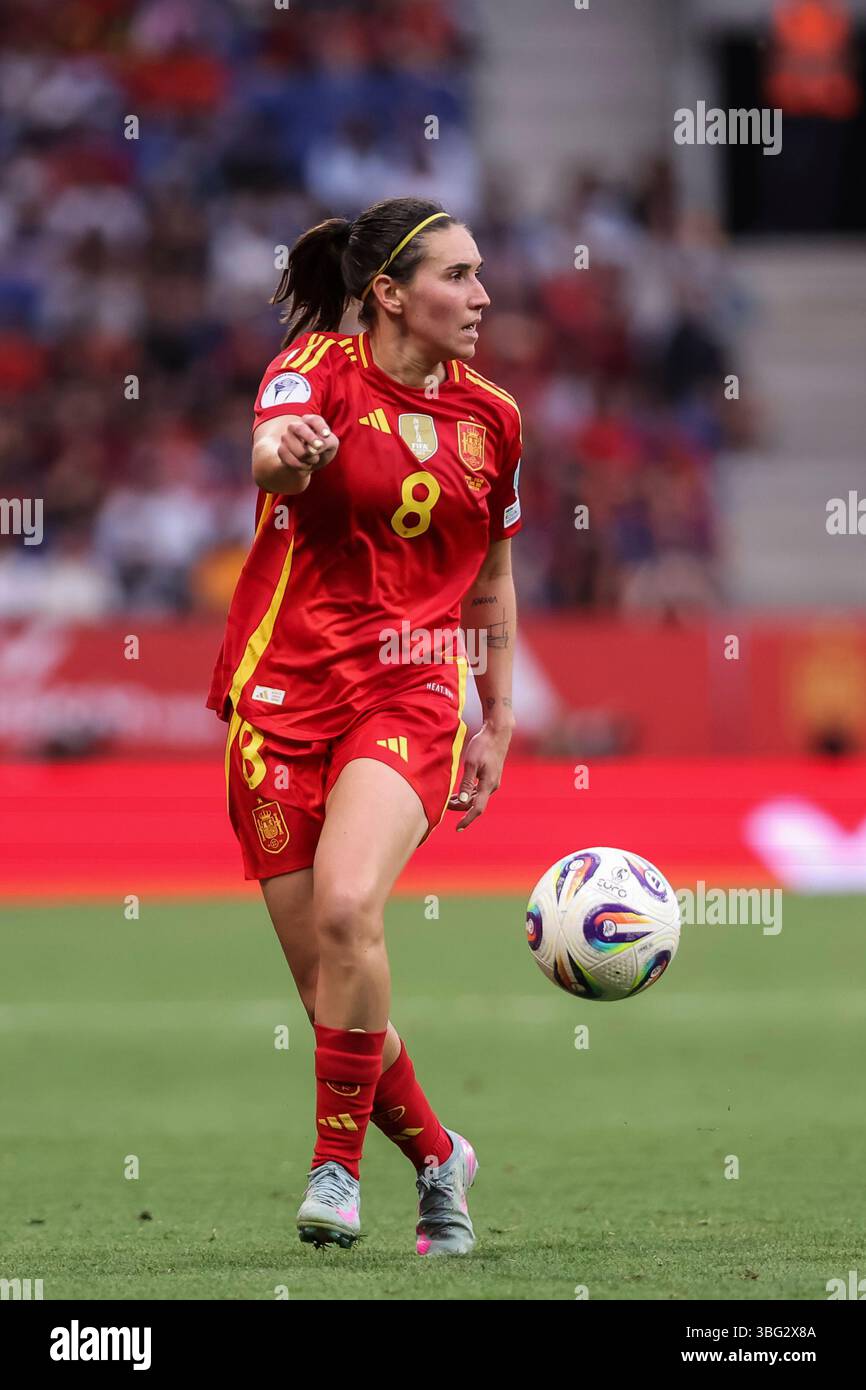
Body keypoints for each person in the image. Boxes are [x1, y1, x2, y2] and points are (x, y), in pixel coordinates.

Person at [207, 197, 523, 1254]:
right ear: (388, 292)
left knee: (350, 906)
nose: (480, 296)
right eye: (456, 277)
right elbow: (273, 460)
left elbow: (490, 575)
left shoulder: (494, 418)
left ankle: (333, 1173)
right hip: (280, 697)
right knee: (327, 980)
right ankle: (440, 1159)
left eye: (480, 274)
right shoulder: (312, 372)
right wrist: (286, 450)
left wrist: (498, 709)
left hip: (412, 684)